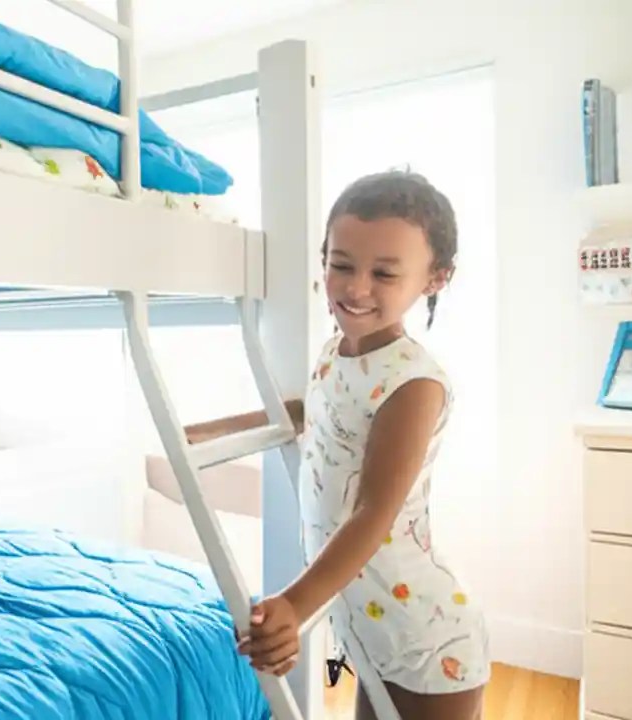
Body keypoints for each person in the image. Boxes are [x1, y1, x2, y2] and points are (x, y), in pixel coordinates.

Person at [186, 169, 488, 719]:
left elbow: (374, 513)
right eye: (342, 264)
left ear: (434, 279)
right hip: (364, 614)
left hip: (425, 634)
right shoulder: (335, 352)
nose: (356, 288)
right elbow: (315, 409)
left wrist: (295, 606)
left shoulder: (413, 383)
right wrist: (211, 429)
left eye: (384, 273)